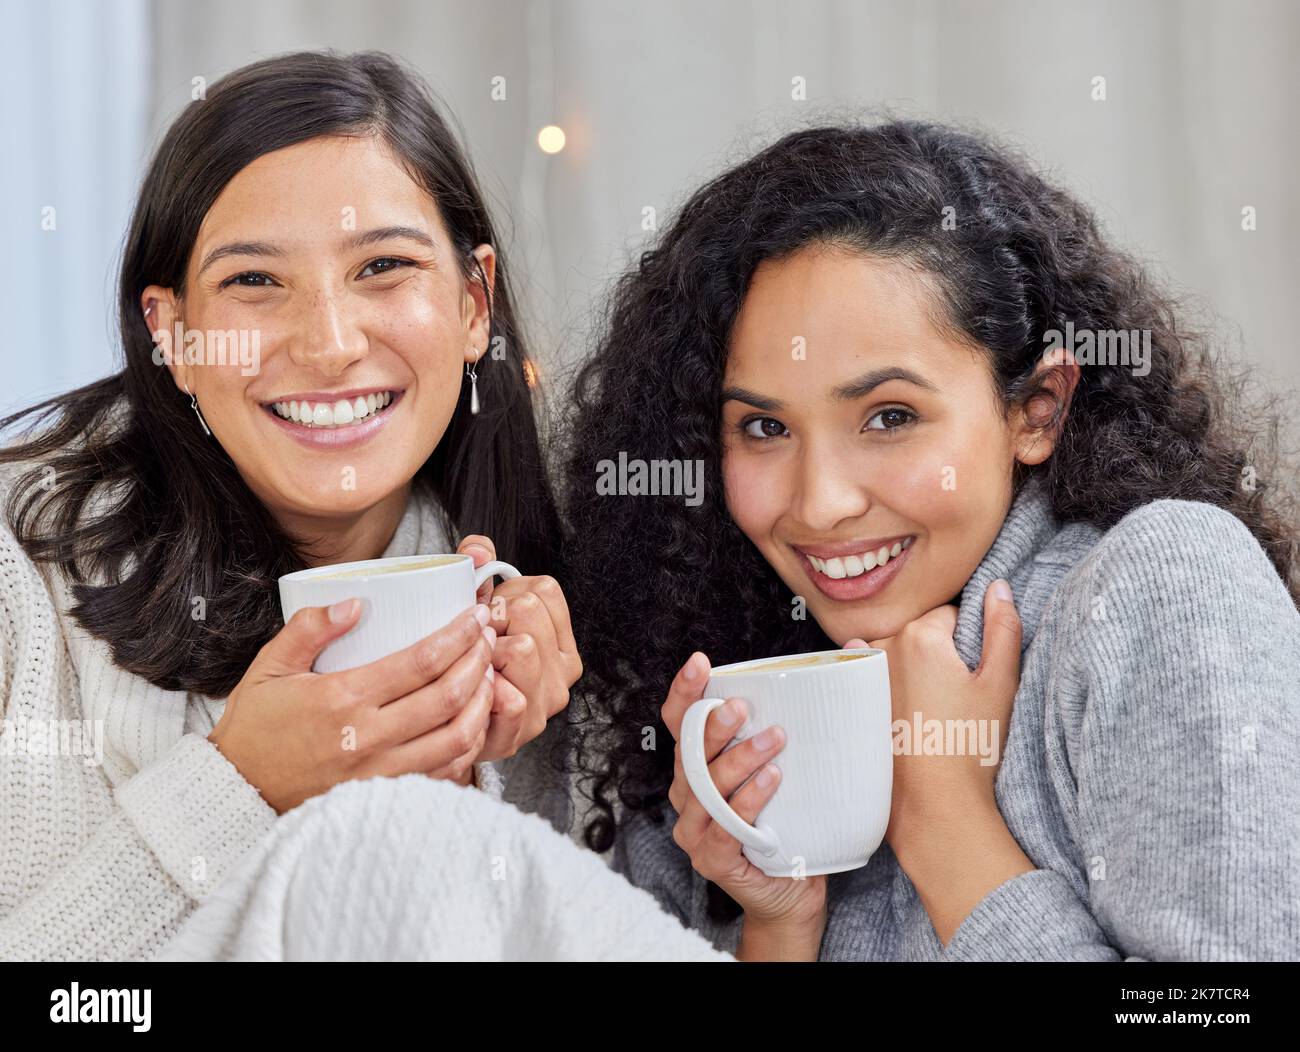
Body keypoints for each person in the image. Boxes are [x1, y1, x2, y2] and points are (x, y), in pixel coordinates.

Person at [560, 120, 1300, 961]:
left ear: (1038, 410)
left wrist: (946, 825)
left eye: (889, 417)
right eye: (764, 427)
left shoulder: (1160, 587)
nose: (821, 505)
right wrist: (776, 923)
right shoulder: (721, 695)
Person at [0, 50, 580, 962]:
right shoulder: (15, 585)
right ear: (172, 334)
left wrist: (472, 778)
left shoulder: (536, 621)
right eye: (254, 281)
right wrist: (237, 789)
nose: (329, 345)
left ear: (475, 304)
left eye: (384, 265)